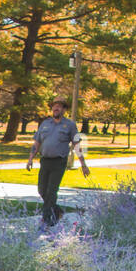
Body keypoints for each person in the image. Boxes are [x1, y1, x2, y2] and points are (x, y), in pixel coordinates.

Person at [26, 97, 89, 230]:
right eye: (54, 106)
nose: (56, 108)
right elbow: (37, 142)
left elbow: (77, 144)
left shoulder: (70, 125)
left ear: (64, 109)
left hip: (59, 162)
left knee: (51, 191)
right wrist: (30, 158)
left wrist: (83, 164)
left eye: (59, 106)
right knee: (42, 190)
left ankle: (47, 220)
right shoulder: (45, 124)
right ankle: (58, 211)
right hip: (45, 161)